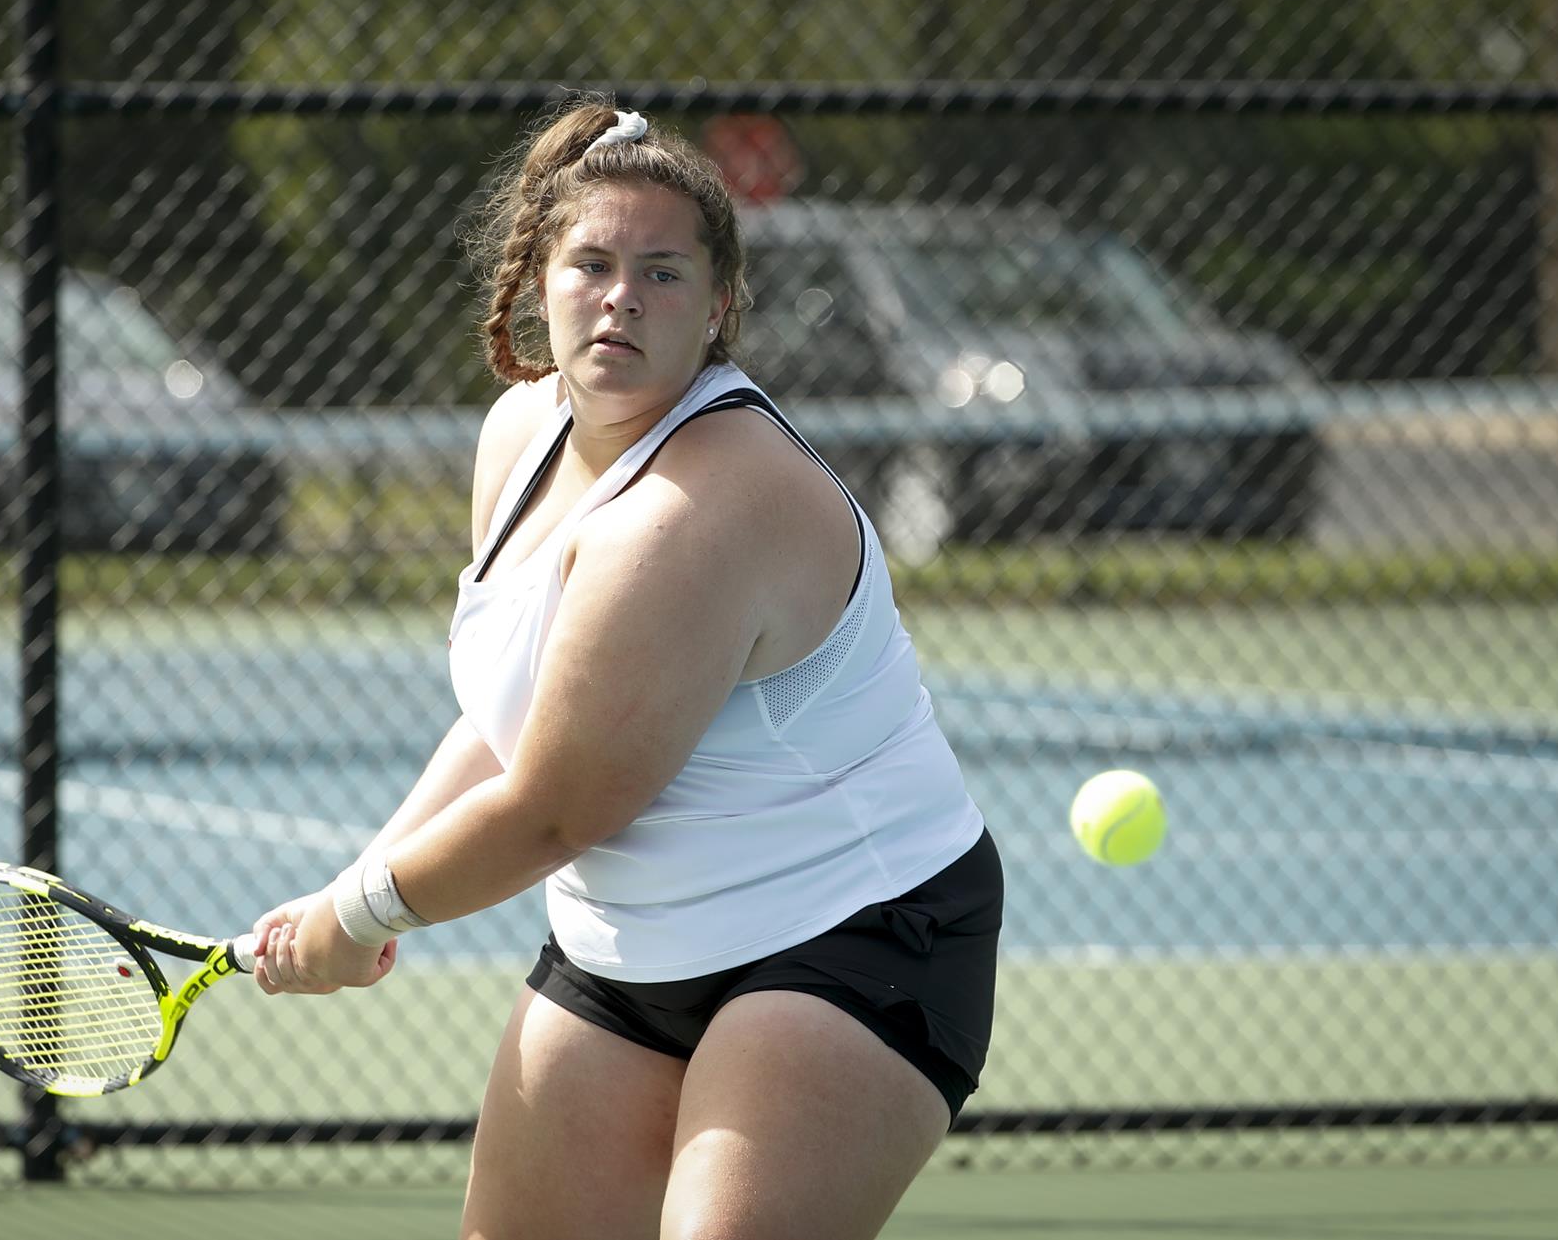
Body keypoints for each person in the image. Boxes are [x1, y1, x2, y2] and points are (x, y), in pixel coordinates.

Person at [248, 98, 1004, 1240]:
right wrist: (363, 879)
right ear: (539, 282)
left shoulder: (697, 507)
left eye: (661, 272)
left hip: (853, 933)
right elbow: (516, 722)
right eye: (591, 263)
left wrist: (357, 915)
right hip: (624, 950)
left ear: (718, 306)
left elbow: (557, 805)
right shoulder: (516, 437)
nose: (620, 297)